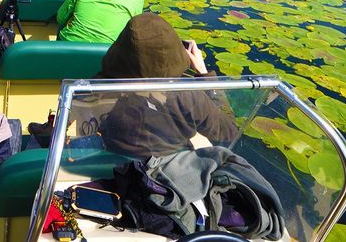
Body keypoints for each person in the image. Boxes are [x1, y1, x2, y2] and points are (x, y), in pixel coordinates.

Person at [97, 13, 240, 158]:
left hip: (118, 164)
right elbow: (229, 131)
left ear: (119, 50)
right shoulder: (188, 96)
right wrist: (204, 75)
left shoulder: (100, 89)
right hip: (170, 165)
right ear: (175, 53)